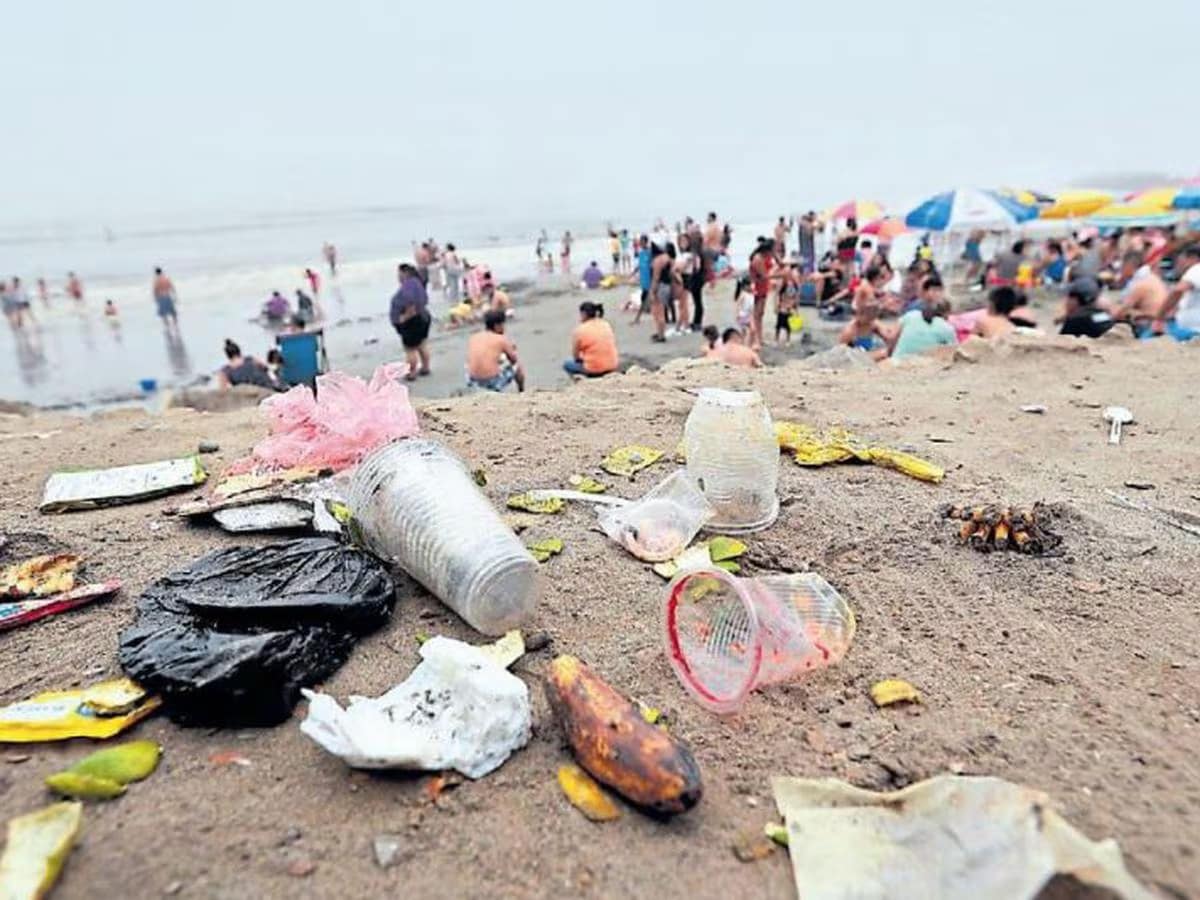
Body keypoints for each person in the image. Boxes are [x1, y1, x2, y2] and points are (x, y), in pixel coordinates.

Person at [891, 275, 956, 358]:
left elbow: (893, 336)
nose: (937, 294)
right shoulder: (946, 328)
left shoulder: (911, 315)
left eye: (939, 290)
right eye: (934, 290)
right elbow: (954, 351)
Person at [389, 263, 433, 379]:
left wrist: (403, 318)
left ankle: (411, 373)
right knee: (422, 344)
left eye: (398, 274)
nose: (397, 277)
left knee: (410, 349)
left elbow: (411, 304)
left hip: (412, 321)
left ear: (404, 274)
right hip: (424, 317)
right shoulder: (417, 283)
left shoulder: (408, 287)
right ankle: (425, 367)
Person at [466, 309, 526, 392]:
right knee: (517, 366)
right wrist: (512, 349)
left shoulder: (474, 337)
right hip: (492, 382)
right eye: (503, 324)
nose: (504, 328)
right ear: (497, 325)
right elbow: (513, 360)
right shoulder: (501, 339)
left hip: (472, 381)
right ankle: (521, 391)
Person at [1112, 250, 1167, 336]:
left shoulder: (1139, 283)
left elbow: (1119, 313)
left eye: (1122, 266)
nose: (1120, 270)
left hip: (1149, 324)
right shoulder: (1151, 277)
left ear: (1128, 265)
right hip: (1159, 320)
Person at [1156, 245, 1200, 340]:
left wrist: (1159, 317)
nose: (1178, 264)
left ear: (1193, 258)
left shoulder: (1196, 269)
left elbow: (1178, 291)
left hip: (1191, 331)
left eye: (1180, 260)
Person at [564, 301, 618, 376]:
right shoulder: (605, 324)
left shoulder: (580, 330)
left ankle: (580, 380)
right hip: (612, 365)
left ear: (583, 314)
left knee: (567, 364)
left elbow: (575, 355)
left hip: (594, 369)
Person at [838, 290, 892, 360]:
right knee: (883, 353)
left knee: (887, 352)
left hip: (867, 352)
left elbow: (889, 337)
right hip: (855, 357)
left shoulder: (873, 323)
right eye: (868, 314)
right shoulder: (850, 331)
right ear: (859, 313)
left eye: (873, 314)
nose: (871, 317)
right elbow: (840, 353)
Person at [647, 242, 676, 342]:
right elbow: (673, 272)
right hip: (666, 285)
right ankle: (660, 333)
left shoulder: (657, 261)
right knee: (661, 310)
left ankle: (661, 335)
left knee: (657, 311)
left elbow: (656, 277)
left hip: (659, 286)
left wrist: (652, 291)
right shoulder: (668, 258)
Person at [775, 266, 800, 345]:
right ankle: (776, 339)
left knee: (788, 326)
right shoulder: (783, 284)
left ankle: (787, 340)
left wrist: (795, 307)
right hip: (783, 307)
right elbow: (778, 294)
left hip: (790, 307)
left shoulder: (795, 285)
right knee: (779, 325)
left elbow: (796, 296)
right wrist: (777, 305)